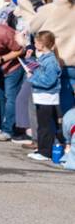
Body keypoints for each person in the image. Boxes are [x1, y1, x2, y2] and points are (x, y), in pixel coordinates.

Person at [27, 0, 75, 114]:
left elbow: (32, 27)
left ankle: (64, 133)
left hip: (56, 60)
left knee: (55, 105)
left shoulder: (49, 9)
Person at [27, 31, 65, 162]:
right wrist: (29, 61)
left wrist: (32, 79)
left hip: (47, 98)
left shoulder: (50, 61)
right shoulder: (44, 57)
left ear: (42, 44)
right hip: (41, 97)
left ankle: (45, 152)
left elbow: (49, 80)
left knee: (45, 126)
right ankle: (42, 148)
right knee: (42, 124)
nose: (34, 43)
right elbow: (38, 69)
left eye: (36, 42)